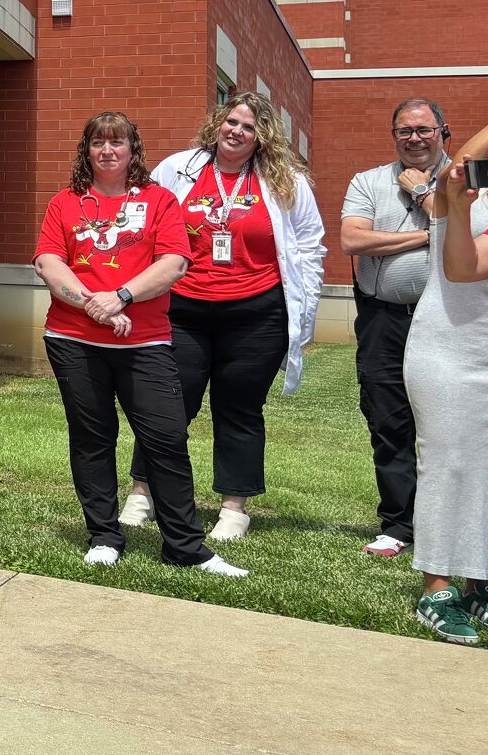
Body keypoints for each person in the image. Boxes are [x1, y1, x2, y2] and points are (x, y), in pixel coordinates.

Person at [33, 113, 246, 576]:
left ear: (134, 149)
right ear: (86, 150)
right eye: (98, 143)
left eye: (118, 142)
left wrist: (121, 296)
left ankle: (185, 546)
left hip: (145, 341)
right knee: (93, 438)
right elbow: (49, 262)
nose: (108, 151)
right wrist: (97, 304)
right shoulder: (65, 203)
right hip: (74, 340)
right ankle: (105, 535)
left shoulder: (160, 200)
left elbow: (175, 262)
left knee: (166, 438)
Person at [122, 91, 324, 542]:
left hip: (257, 314)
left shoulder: (286, 181)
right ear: (218, 122)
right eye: (231, 121)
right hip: (184, 310)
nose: (236, 131)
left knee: (239, 409)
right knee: (169, 405)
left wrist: (304, 315)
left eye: (249, 127)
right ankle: (143, 492)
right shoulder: (180, 168)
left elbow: (310, 246)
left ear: (263, 137)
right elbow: (144, 224)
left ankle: (234, 507)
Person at [406, 77, 488, 642]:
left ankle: (480, 580)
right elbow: (449, 177)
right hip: (443, 344)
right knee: (447, 462)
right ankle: (437, 586)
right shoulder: (462, 195)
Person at [339, 97, 452, 557]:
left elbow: (479, 237)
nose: (413, 138)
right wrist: (430, 234)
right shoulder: (368, 181)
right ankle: (398, 525)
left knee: (445, 424)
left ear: (444, 132)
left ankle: (444, 524)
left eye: (423, 129)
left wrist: (428, 198)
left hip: (446, 320)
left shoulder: (464, 180)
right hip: (383, 320)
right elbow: (353, 239)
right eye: (404, 130)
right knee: (388, 421)